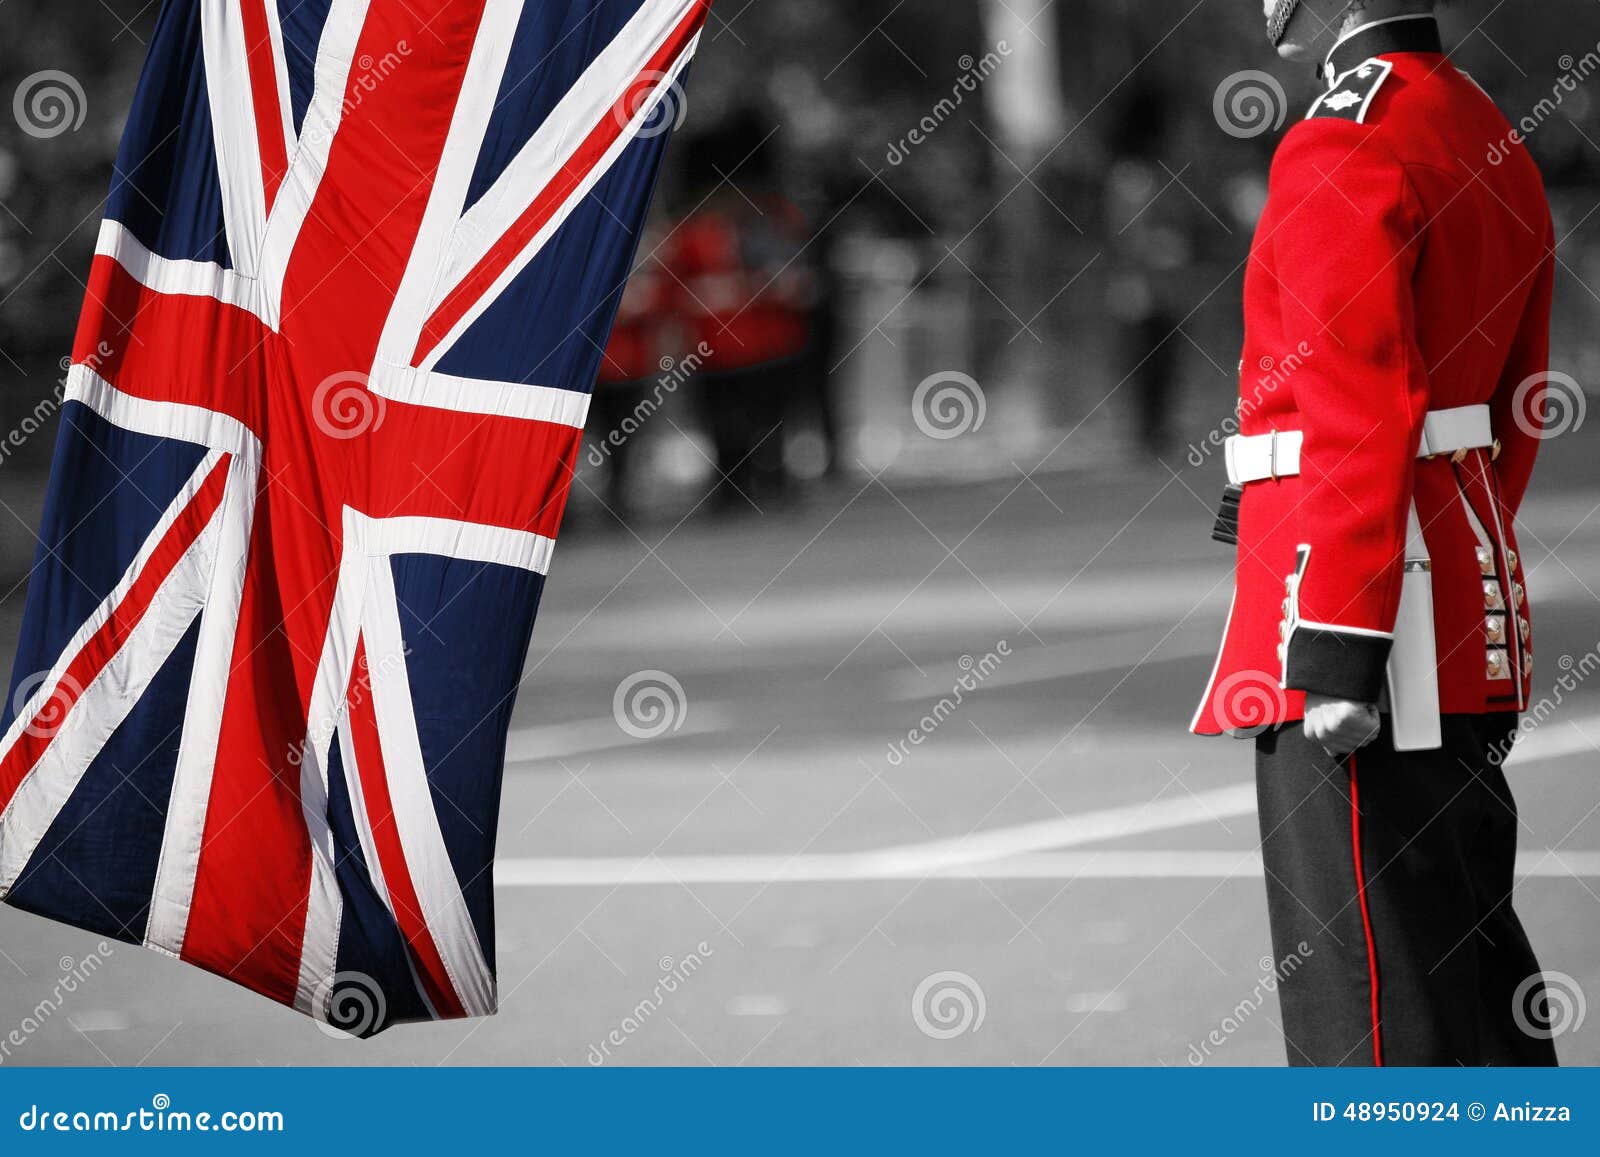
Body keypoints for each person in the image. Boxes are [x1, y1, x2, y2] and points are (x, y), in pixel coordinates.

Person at [1192, 0, 1559, 1065]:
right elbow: (1510, 398)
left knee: (1372, 1009)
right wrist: (1462, 546)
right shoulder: (1474, 117)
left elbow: (1355, 402)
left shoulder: (1342, 136)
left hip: (1362, 609)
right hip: (1456, 584)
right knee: (1473, 984)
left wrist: (1340, 645)